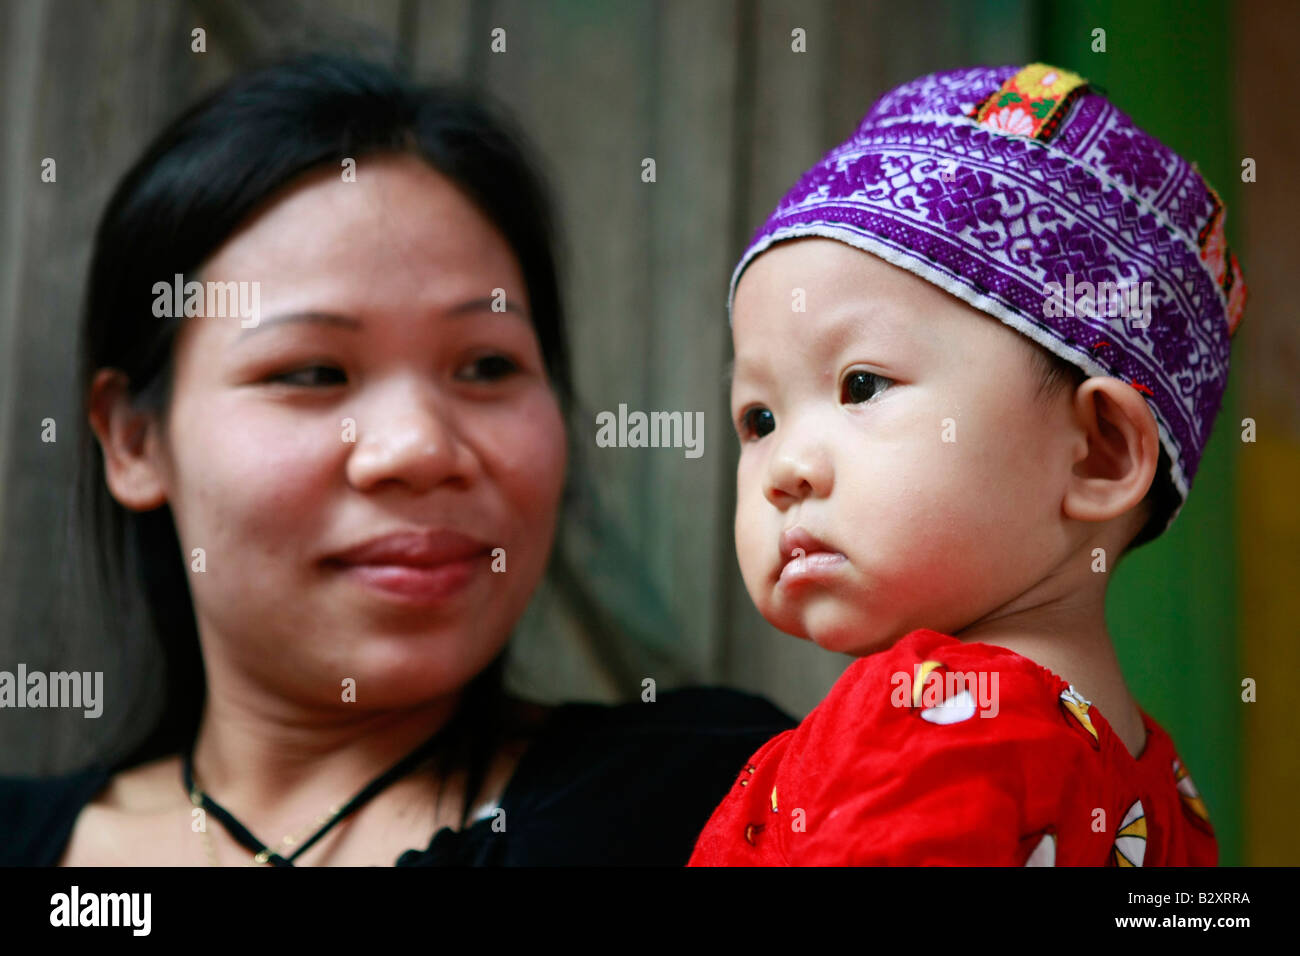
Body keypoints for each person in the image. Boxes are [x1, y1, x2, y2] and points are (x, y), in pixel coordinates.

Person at [0, 53, 793, 867]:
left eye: (487, 366)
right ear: (134, 440)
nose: (419, 449)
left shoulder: (723, 803)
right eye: (312, 372)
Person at [688, 64, 1238, 866]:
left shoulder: (925, 717)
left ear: (1099, 451)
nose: (785, 468)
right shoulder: (1166, 800)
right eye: (759, 419)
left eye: (862, 384)